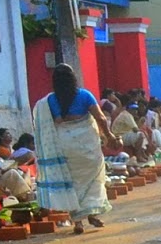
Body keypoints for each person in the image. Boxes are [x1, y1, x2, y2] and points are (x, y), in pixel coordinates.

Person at [32, 63, 115, 235]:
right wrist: (109, 135)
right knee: (93, 178)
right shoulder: (84, 95)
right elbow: (100, 118)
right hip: (86, 145)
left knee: (73, 182)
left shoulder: (48, 101)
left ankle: (78, 221)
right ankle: (92, 213)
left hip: (64, 144)